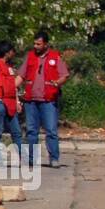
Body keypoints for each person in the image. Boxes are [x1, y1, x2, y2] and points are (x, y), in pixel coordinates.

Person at [18, 31, 68, 168]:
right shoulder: (30, 57)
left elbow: (64, 75)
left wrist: (57, 83)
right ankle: (31, 159)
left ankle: (54, 158)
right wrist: (10, 90)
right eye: (34, 43)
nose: (36, 46)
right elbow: (21, 76)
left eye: (39, 44)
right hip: (31, 100)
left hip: (48, 100)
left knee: (51, 130)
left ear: (46, 44)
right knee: (31, 131)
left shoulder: (55, 57)